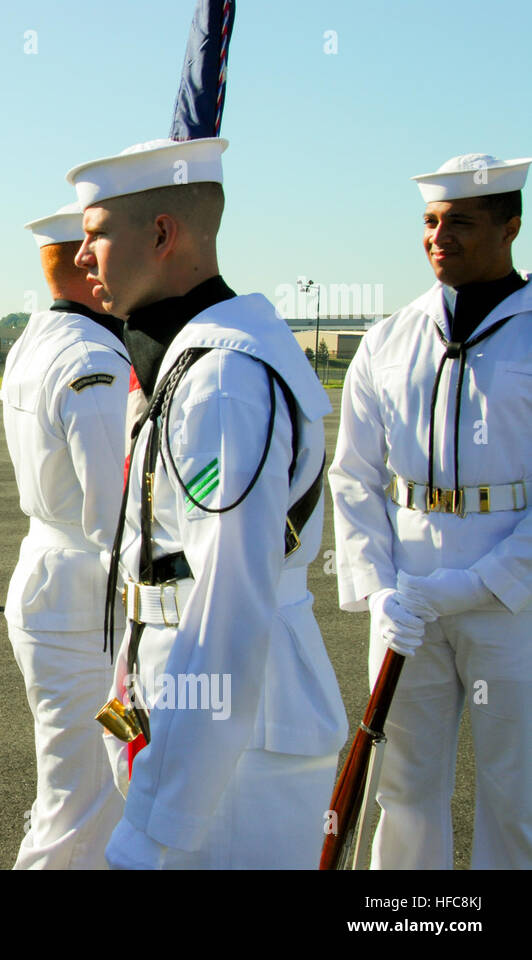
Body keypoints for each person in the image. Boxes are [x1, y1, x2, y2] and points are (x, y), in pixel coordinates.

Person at [68, 137, 345, 868]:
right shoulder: (195, 359)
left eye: (95, 233)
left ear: (161, 234)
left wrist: (162, 822)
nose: (81, 257)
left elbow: (227, 610)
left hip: (237, 744)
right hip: (204, 722)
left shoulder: (223, 381)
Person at [329, 153, 532, 869]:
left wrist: (474, 585)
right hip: (407, 595)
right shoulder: (389, 338)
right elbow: (352, 475)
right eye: (430, 222)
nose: (438, 237)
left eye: (461, 223)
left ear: (511, 226)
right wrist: (379, 589)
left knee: (519, 796)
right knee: (403, 789)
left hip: (513, 597)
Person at [0, 200, 131, 868]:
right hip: (87, 607)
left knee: (78, 801)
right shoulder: (91, 356)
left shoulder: (37, 338)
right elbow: (118, 512)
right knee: (83, 810)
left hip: (54, 583)